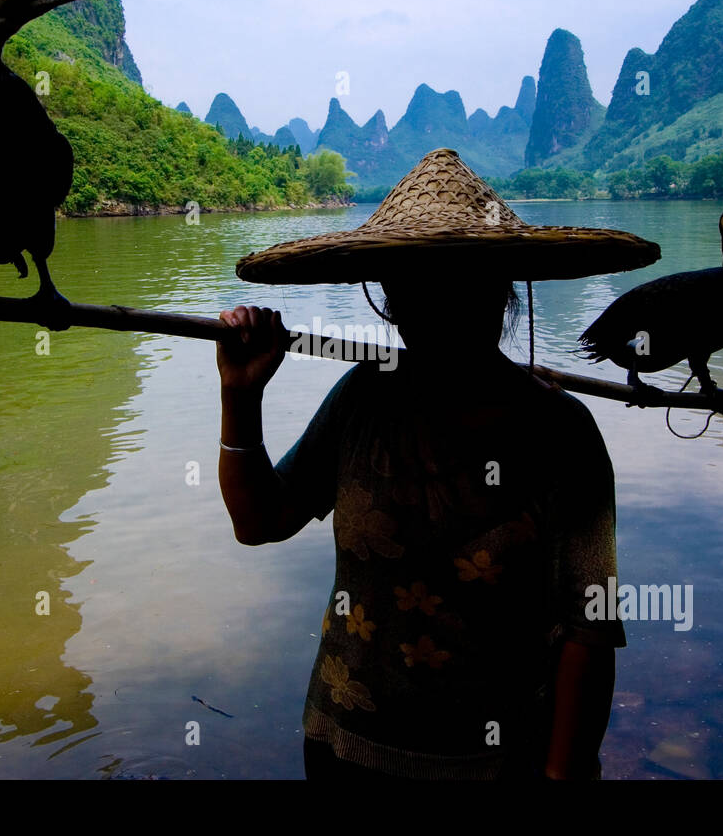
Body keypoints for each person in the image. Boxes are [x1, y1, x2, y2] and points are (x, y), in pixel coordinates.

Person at [217, 149, 658, 780]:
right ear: (392, 297)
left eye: (466, 283)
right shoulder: (363, 399)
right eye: (418, 285)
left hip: (500, 762)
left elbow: (588, 629)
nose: (441, 305)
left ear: (502, 289)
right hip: (346, 747)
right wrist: (241, 397)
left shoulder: (560, 432)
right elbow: (260, 519)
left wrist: (563, 775)